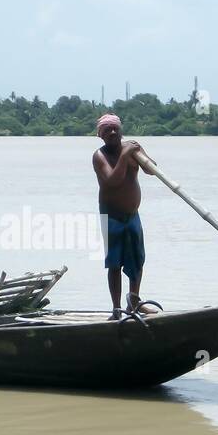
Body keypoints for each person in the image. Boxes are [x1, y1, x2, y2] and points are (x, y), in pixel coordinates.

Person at [92, 113, 156, 319]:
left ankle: (134, 303)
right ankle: (117, 308)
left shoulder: (131, 148)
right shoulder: (99, 156)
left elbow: (151, 170)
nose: (112, 132)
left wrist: (139, 153)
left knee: (137, 259)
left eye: (114, 129)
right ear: (101, 135)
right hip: (111, 216)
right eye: (107, 130)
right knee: (114, 263)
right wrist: (124, 155)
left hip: (132, 214)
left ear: (121, 130)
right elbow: (113, 181)